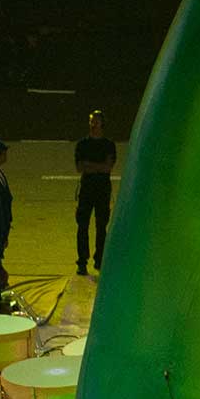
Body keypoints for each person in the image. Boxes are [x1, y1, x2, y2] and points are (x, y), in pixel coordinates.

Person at [74, 110, 116, 275]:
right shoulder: (82, 144)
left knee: (101, 226)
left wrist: (89, 166)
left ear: (102, 124)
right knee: (82, 225)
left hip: (102, 190)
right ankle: (82, 261)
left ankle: (100, 259)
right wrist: (99, 168)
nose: (93, 125)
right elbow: (79, 167)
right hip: (87, 189)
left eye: (96, 122)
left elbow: (108, 167)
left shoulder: (108, 144)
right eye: (92, 122)